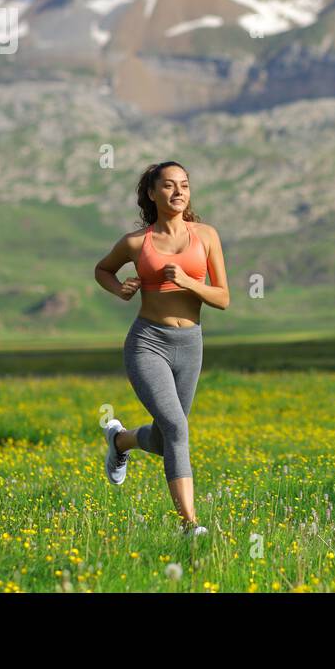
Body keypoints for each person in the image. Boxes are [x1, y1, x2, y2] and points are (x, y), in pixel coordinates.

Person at [93, 160, 230, 538]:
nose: (178, 192)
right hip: (147, 344)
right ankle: (190, 524)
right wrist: (118, 288)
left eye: (184, 184)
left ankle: (120, 441)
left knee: (167, 435)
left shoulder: (206, 236)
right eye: (169, 185)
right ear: (152, 193)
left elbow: (223, 298)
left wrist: (188, 282)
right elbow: (103, 269)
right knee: (176, 428)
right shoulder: (137, 242)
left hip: (190, 346)